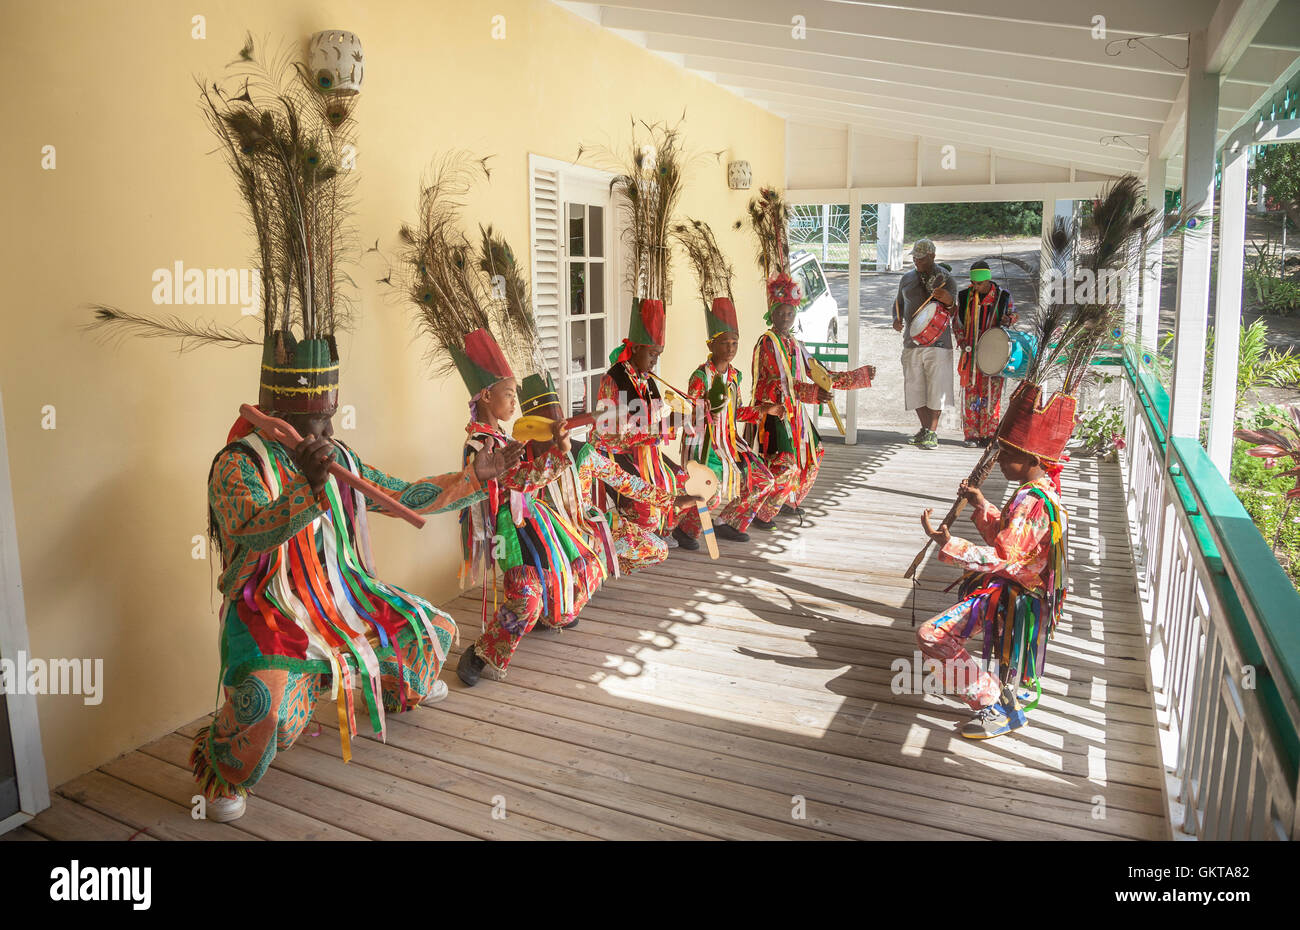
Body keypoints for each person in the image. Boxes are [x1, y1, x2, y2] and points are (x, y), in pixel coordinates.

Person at [196, 334, 524, 820]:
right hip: (268, 609)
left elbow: (404, 495)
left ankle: (384, 690)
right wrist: (309, 490)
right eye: (315, 420)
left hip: (342, 594)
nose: (327, 429)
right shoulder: (237, 464)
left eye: (331, 415)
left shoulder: (339, 457)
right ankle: (223, 767)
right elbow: (250, 532)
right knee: (267, 714)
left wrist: (475, 477)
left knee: (433, 630)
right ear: (278, 419)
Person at [914, 384, 1071, 739]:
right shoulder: (1040, 492)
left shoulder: (1032, 502)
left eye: (1008, 454)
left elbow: (1003, 556)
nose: (1000, 461)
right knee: (942, 639)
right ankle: (1002, 698)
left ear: (1032, 459)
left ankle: (995, 706)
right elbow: (1015, 540)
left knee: (933, 635)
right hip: (1019, 589)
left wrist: (948, 543)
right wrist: (981, 503)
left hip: (1015, 594)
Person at [673, 218, 779, 546]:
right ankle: (685, 527)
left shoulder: (734, 376)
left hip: (729, 443)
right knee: (710, 485)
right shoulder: (700, 377)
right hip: (704, 446)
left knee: (764, 479)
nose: (731, 349)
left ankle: (732, 523)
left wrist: (761, 410)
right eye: (725, 343)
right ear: (711, 345)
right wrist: (707, 416)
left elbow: (734, 414)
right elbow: (691, 418)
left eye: (735, 343)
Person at [750, 274, 875, 523]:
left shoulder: (795, 343)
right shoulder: (768, 342)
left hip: (795, 415)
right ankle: (763, 513)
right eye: (781, 313)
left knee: (813, 455)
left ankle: (787, 500)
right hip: (774, 413)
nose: (786, 318)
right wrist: (813, 394)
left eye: (790, 313)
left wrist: (859, 376)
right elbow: (777, 385)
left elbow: (821, 374)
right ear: (772, 315)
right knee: (782, 465)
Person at [592, 297, 686, 546]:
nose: (655, 360)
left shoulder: (647, 379)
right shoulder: (613, 379)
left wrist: (683, 417)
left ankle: (659, 531)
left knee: (680, 478)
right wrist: (663, 428)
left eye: (658, 355)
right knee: (643, 499)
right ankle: (630, 541)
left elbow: (658, 416)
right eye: (652, 354)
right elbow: (612, 434)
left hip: (643, 451)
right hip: (614, 454)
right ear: (634, 349)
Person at [892, 238, 957, 450]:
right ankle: (925, 428)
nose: (916, 260)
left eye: (921, 257)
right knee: (914, 387)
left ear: (932, 256)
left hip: (938, 343)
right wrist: (896, 318)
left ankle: (932, 432)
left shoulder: (946, 279)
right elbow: (898, 303)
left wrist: (948, 300)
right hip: (911, 342)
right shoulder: (907, 278)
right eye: (915, 257)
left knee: (936, 389)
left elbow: (955, 312)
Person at [953, 260, 1017, 447]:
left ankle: (989, 435)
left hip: (994, 354)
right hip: (971, 352)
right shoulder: (965, 296)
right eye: (973, 283)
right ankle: (971, 435)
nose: (976, 287)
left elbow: (1014, 314)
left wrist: (1009, 318)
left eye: (979, 284)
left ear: (988, 281)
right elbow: (957, 322)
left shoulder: (1003, 296)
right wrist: (962, 341)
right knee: (972, 392)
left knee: (992, 393)